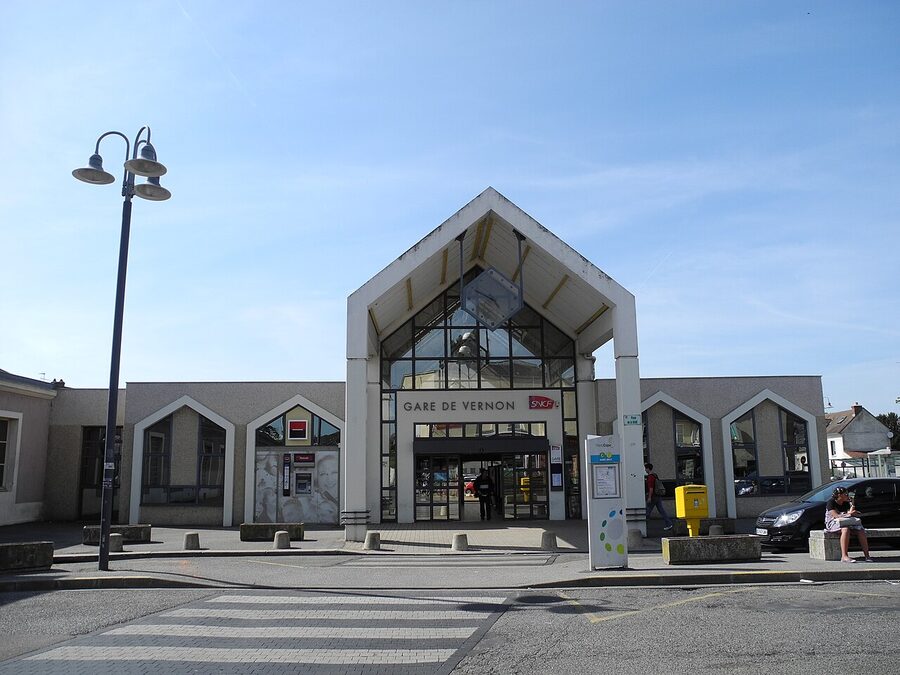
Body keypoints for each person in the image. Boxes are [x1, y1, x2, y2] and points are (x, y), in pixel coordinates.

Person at [825, 486, 873, 563]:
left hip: (845, 522)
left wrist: (852, 504)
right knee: (845, 529)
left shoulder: (846, 503)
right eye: (845, 494)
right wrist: (849, 514)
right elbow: (835, 516)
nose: (847, 496)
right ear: (839, 495)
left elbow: (850, 514)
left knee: (860, 530)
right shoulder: (831, 502)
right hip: (833, 523)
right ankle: (844, 556)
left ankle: (867, 556)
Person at [644, 462, 673, 531]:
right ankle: (669, 524)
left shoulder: (650, 477)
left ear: (648, 468)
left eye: (645, 468)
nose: (645, 470)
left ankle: (643, 527)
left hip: (653, 497)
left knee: (647, 512)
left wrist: (649, 497)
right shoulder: (655, 475)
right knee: (662, 511)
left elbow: (651, 488)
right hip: (658, 496)